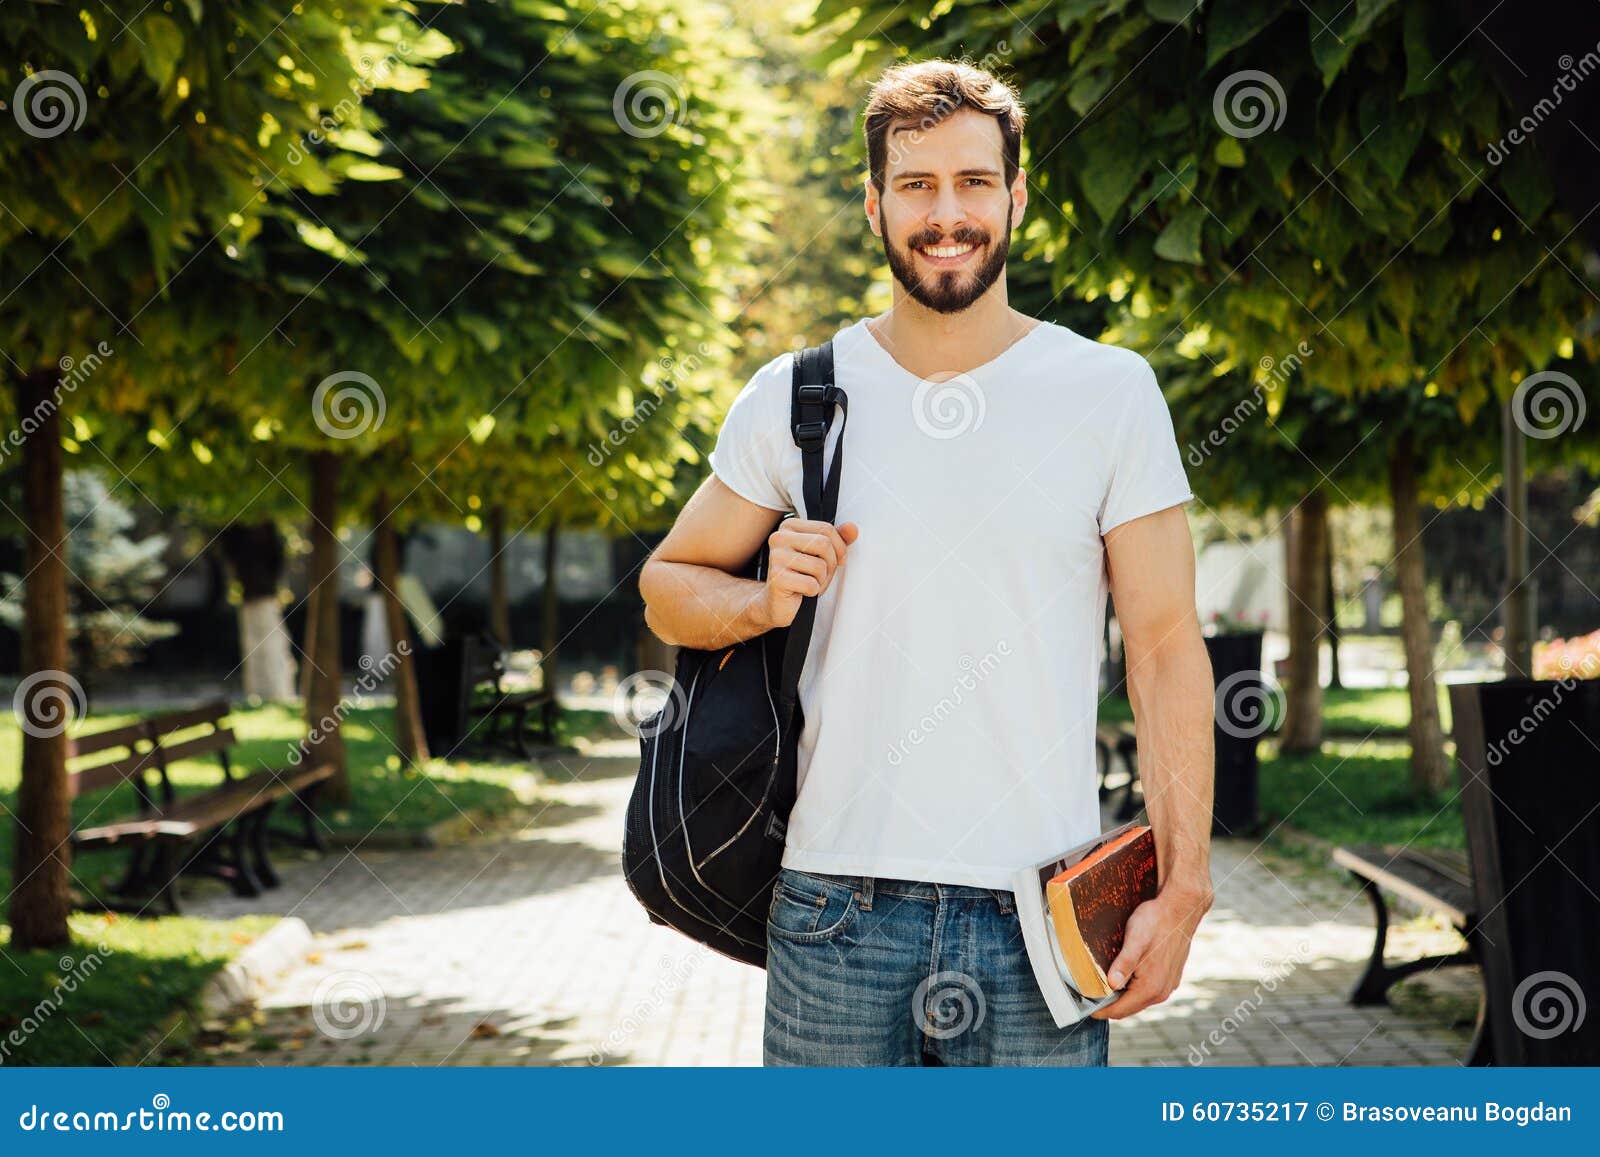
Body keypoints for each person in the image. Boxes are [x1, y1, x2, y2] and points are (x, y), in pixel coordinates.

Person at [638, 58, 1215, 1067]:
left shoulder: (1108, 393)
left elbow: (1165, 647)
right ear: (874, 205)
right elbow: (667, 588)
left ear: (1015, 197)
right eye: (915, 185)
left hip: (1044, 916)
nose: (945, 213)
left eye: (972, 182)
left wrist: (1186, 882)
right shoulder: (798, 395)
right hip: (831, 908)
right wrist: (761, 599)